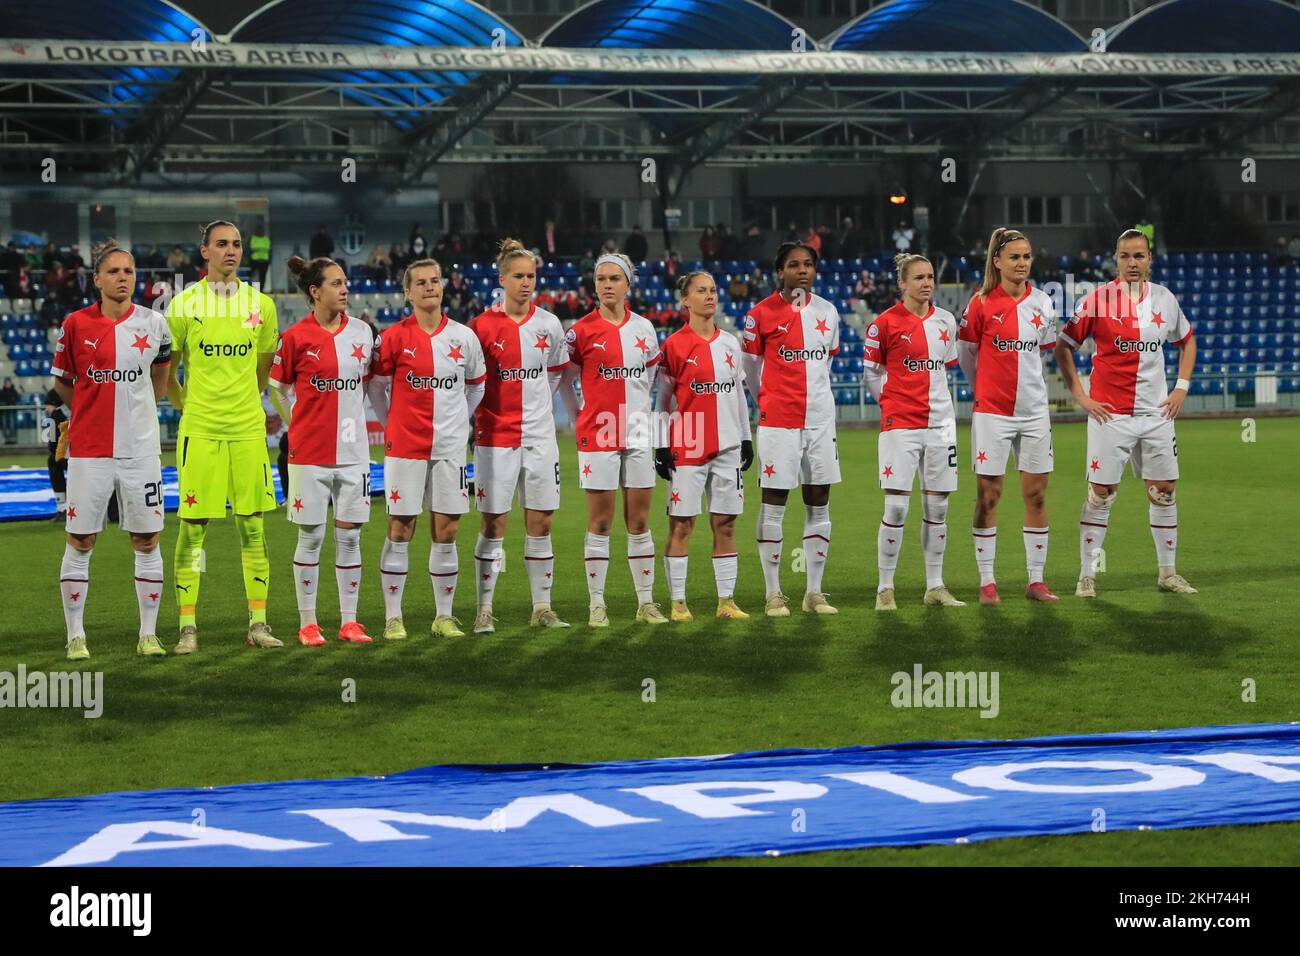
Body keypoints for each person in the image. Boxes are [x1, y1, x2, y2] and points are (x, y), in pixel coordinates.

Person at [1054, 229, 1198, 597]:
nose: (1132, 263)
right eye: (1125, 256)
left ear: (1150, 259)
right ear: (1115, 259)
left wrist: (1181, 387)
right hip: (1110, 415)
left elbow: (1187, 341)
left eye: (1139, 256)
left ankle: (1168, 573)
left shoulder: (1165, 299)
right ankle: (1087, 574)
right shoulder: (1097, 301)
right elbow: (1064, 345)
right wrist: (1081, 396)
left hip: (1156, 414)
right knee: (1101, 493)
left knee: (1164, 492)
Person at [50, 243, 172, 660]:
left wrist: (136, 413)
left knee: (147, 537)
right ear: (97, 279)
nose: (124, 278)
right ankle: (76, 636)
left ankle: (149, 635)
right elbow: (64, 383)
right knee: (81, 538)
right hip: (90, 450)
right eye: (114, 271)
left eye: (130, 271)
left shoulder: (155, 324)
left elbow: (160, 379)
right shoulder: (75, 324)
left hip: (141, 449)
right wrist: (89, 411)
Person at [165, 220, 282, 653]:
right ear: (204, 252)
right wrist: (186, 407)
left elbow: (263, 369)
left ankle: (258, 624)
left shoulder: (261, 305)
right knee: (192, 529)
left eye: (236, 244)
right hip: (201, 430)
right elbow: (168, 371)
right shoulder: (183, 304)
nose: (231, 251)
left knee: (253, 528)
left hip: (247, 432)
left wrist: (241, 405)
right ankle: (188, 627)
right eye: (221, 244)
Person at [368, 258, 485, 640]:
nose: (430, 287)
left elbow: (476, 387)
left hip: (450, 448)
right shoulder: (392, 338)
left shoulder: (464, 337)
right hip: (405, 448)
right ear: (408, 292)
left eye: (435, 280)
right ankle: (393, 617)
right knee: (401, 527)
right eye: (420, 282)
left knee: (447, 529)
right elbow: (376, 388)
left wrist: (457, 423)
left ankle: (444, 616)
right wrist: (392, 424)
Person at [271, 255, 379, 647]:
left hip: (354, 453)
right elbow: (277, 388)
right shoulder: (295, 337)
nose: (345, 288)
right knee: (312, 537)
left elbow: (368, 383)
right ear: (315, 292)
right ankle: (308, 624)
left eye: (345, 282)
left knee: (350, 537)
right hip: (309, 454)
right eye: (335, 283)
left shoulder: (363, 334)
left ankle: (349, 622)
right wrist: (294, 419)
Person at [558, 252, 668, 627]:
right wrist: (580, 417)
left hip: (637, 431)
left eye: (614, 279)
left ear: (627, 284)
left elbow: (650, 378)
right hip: (598, 434)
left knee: (639, 521)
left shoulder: (645, 329)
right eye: (601, 279)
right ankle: (597, 605)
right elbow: (565, 381)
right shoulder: (580, 332)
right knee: (600, 523)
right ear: (594, 285)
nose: (607, 284)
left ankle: (646, 603)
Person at [467, 238, 571, 633]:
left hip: (541, 438)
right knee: (494, 524)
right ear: (502, 279)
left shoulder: (548, 324)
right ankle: (484, 609)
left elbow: (556, 374)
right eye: (518, 276)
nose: (526, 283)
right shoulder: (480, 328)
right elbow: (473, 383)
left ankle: (541, 608)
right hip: (496, 439)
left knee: (541, 523)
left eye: (531, 276)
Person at [958, 227, 1060, 605]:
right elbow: (967, 355)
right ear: (997, 261)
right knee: (989, 495)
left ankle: (1036, 580)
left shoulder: (1044, 304)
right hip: (993, 413)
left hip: (1034, 413)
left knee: (1035, 495)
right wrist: (984, 388)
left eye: (1027, 256)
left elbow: (1043, 354)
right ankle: (987, 582)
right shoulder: (980, 303)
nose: (1022, 263)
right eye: (1014, 257)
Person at [741, 240, 841, 617]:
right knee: (773, 507)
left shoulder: (827, 312)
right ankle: (773, 593)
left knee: (819, 503)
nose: (802, 270)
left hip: (818, 421)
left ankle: (814, 592)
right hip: (778, 422)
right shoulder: (760, 314)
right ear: (779, 271)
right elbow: (750, 371)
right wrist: (770, 399)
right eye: (794, 265)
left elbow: (824, 364)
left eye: (808, 265)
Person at [862, 253, 964, 610]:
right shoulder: (883, 325)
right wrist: (888, 405)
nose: (926, 283)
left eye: (930, 276)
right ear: (902, 283)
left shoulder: (946, 321)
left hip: (940, 424)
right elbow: (872, 374)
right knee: (896, 508)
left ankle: (935, 586)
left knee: (938, 508)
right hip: (900, 425)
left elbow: (944, 369)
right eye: (918, 277)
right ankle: (885, 587)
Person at [655, 270, 753, 622]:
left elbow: (739, 395)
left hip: (727, 447)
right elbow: (663, 399)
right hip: (688, 448)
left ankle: (726, 601)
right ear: (685, 300)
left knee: (725, 524)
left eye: (713, 290)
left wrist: (745, 437)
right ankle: (678, 603)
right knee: (682, 525)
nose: (710, 296)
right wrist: (661, 444)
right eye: (702, 290)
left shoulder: (730, 342)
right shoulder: (673, 346)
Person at [248, 220, 272, 292]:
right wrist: (261, 248)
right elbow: (252, 247)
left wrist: (258, 248)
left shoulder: (266, 239)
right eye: (259, 230)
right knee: (252, 276)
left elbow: (267, 248)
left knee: (262, 276)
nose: (260, 232)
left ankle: (261, 290)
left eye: (261, 230)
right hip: (254, 260)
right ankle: (250, 289)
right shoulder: (253, 238)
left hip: (264, 260)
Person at [0, 377, 19, 444]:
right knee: (4, 425)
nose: (8, 384)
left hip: (12, 411)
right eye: (6, 383)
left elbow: (17, 399)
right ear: (4, 384)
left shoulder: (14, 391)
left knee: (12, 424)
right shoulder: (1, 392)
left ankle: (12, 438)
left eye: (9, 383)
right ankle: (6, 438)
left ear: (11, 383)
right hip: (4, 412)